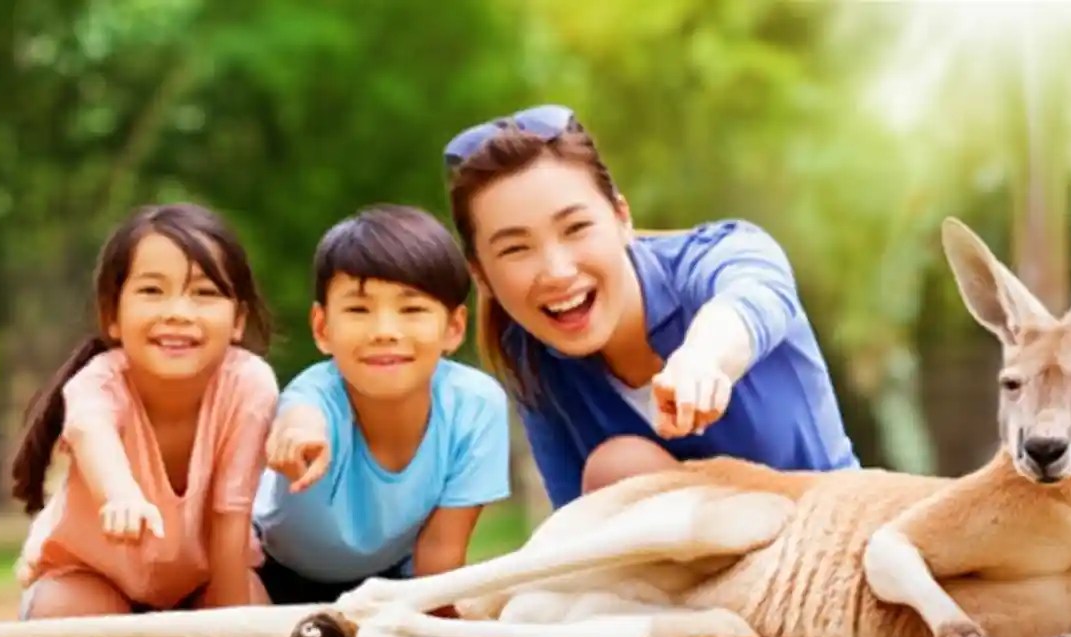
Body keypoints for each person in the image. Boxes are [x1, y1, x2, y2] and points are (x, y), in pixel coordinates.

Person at [442, 104, 860, 509]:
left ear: (622, 218)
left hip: (824, 537)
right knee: (617, 467)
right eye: (516, 249)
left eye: (576, 228)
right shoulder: (531, 356)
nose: (557, 271)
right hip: (689, 573)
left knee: (619, 465)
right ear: (480, 275)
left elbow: (755, 295)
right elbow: (575, 523)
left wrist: (703, 359)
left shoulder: (723, 254)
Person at [9, 202, 279, 619]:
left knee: (250, 610)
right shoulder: (97, 382)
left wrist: (229, 621)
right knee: (70, 616)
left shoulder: (249, 384)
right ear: (112, 314)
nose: (177, 312)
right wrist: (120, 495)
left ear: (238, 320)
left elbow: (232, 511)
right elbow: (91, 432)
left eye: (204, 293)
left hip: (200, 577)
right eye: (152, 291)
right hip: (93, 572)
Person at [252, 204, 510, 608]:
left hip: (387, 579)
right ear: (322, 329)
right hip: (274, 570)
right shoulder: (317, 391)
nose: (385, 332)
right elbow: (300, 416)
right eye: (358, 310)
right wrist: (297, 437)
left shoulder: (476, 405)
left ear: (454, 328)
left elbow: (441, 551)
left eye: (412, 310)